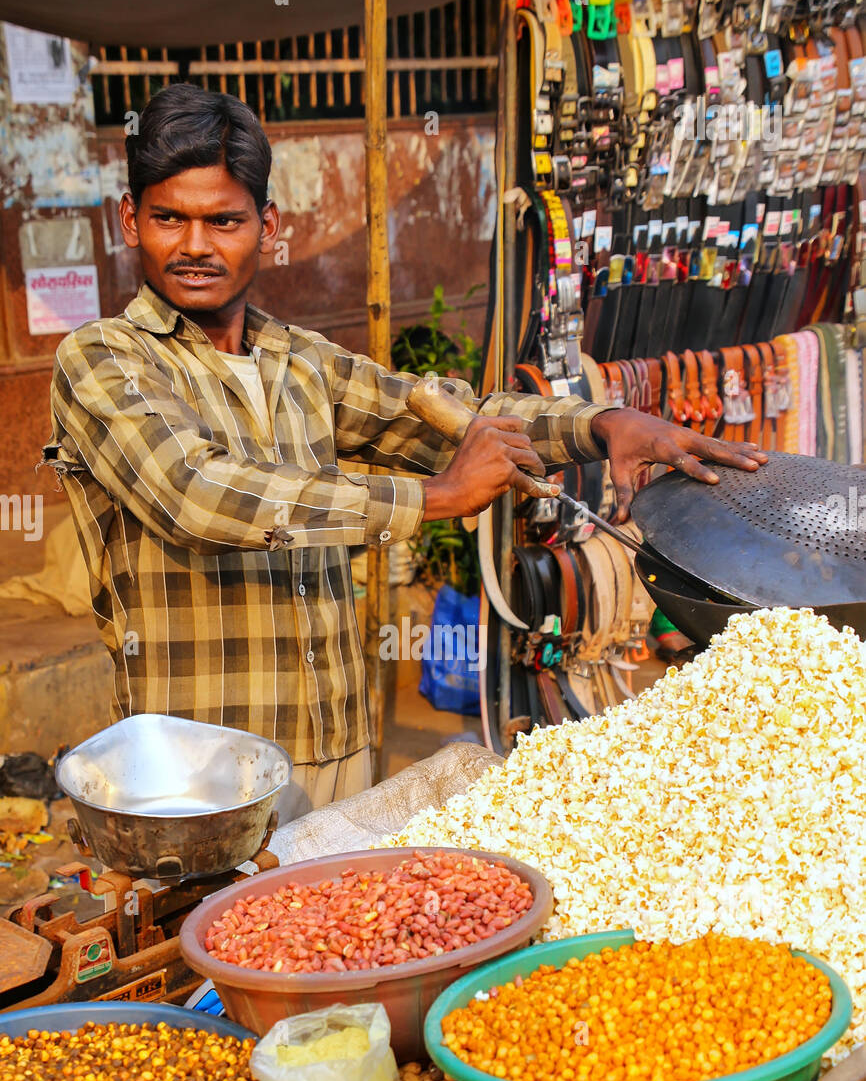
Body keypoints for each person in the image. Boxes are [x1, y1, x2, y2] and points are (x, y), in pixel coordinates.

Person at [42, 84, 766, 821]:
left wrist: (603, 424)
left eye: (223, 221)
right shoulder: (103, 358)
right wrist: (437, 498)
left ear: (266, 226)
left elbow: (445, 414)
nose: (195, 246)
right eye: (170, 218)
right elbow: (196, 494)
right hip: (196, 769)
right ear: (131, 220)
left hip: (340, 745)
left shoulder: (299, 361)